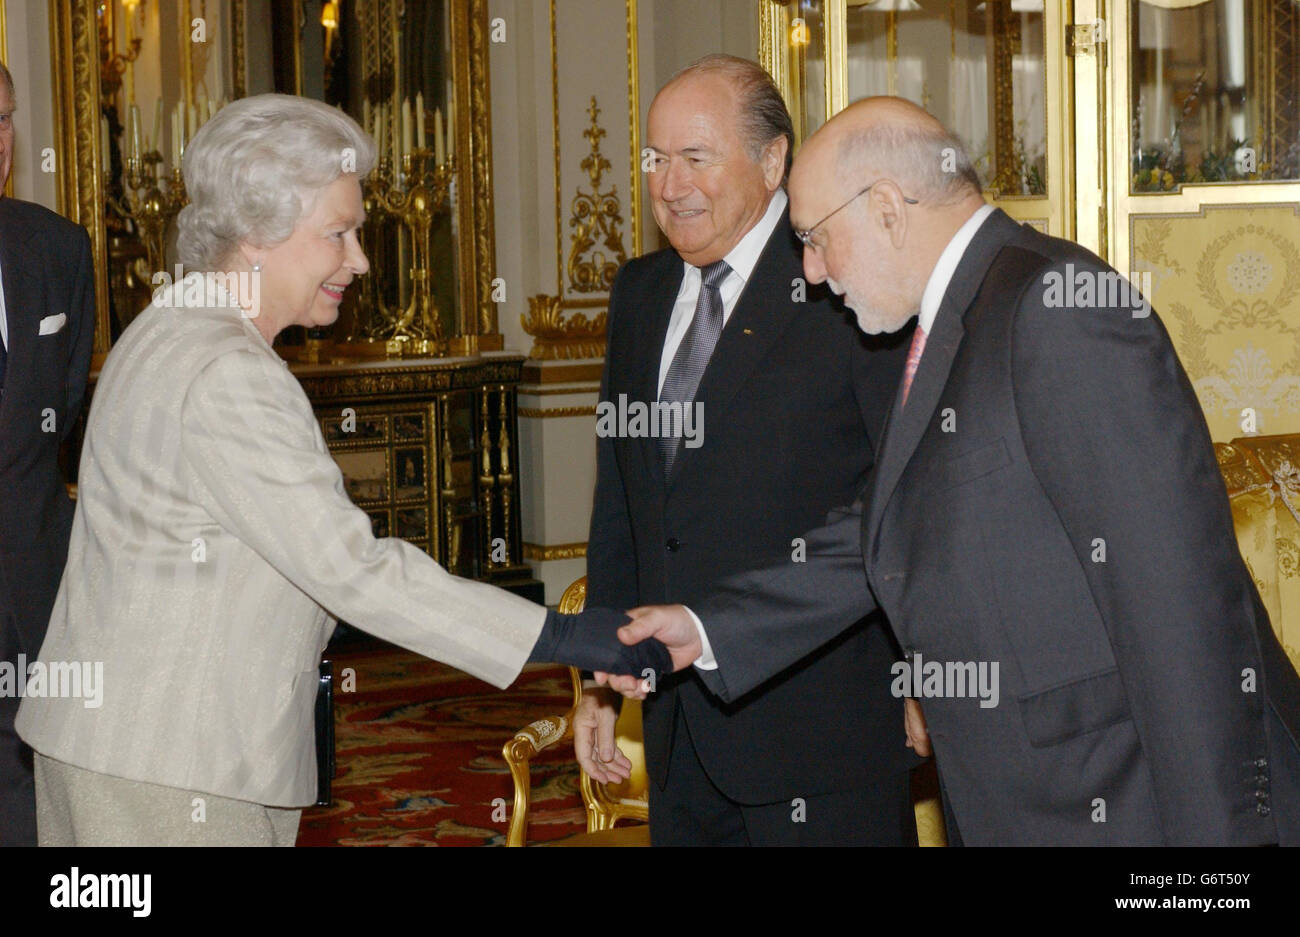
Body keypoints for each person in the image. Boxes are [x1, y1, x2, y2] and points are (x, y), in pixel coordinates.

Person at [607, 96, 1300, 845]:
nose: (810, 270)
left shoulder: (1053, 309)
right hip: (1027, 800)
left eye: (813, 237)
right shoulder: (953, 321)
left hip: (1117, 802)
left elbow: (1183, 614)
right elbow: (880, 532)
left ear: (886, 209)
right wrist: (706, 627)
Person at [14, 94, 671, 846]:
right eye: (340, 232)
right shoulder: (229, 370)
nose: (358, 259)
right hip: (175, 768)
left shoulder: (161, 330)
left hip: (114, 749)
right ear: (259, 234)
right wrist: (563, 635)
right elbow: (352, 571)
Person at [579, 57, 917, 846]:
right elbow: (624, 509)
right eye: (655, 160)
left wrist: (927, 673)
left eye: (695, 158)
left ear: (773, 162)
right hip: (676, 736)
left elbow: (903, 502)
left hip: (824, 738)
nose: (668, 185)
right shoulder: (638, 293)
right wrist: (597, 678)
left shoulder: (845, 281)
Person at [0, 60, 96, 846]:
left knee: (37, 785)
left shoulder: (59, 250)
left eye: (1, 120)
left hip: (36, 573)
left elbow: (61, 405)